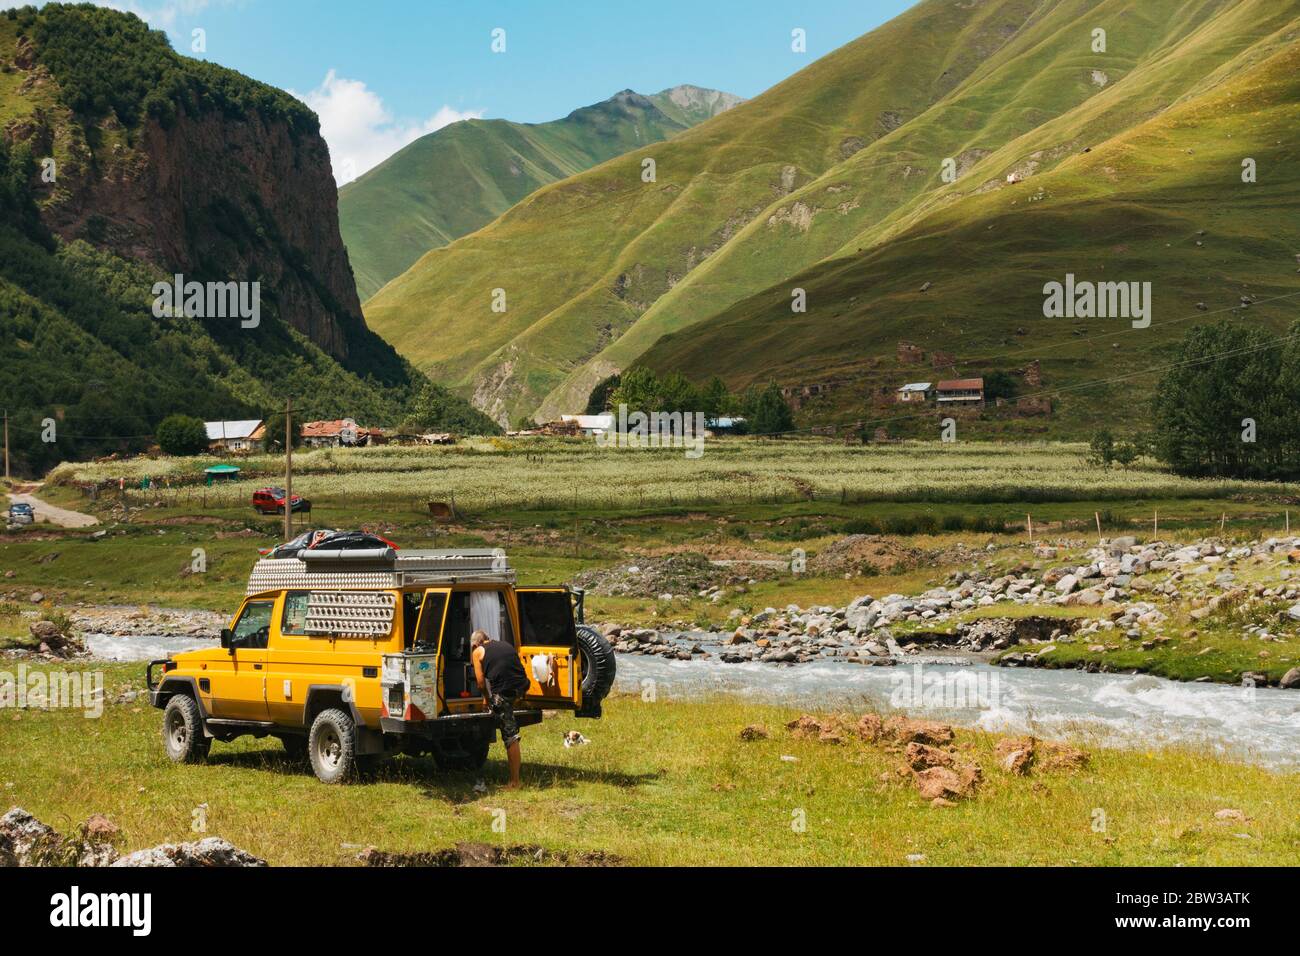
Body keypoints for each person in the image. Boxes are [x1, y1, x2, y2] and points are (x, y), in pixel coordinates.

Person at [470, 629, 530, 788]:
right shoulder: (505, 644)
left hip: (505, 692)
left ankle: (515, 782)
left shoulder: (477, 652)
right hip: (523, 686)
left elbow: (481, 683)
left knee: (509, 735)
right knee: (505, 707)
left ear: (476, 644)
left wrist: (488, 699)